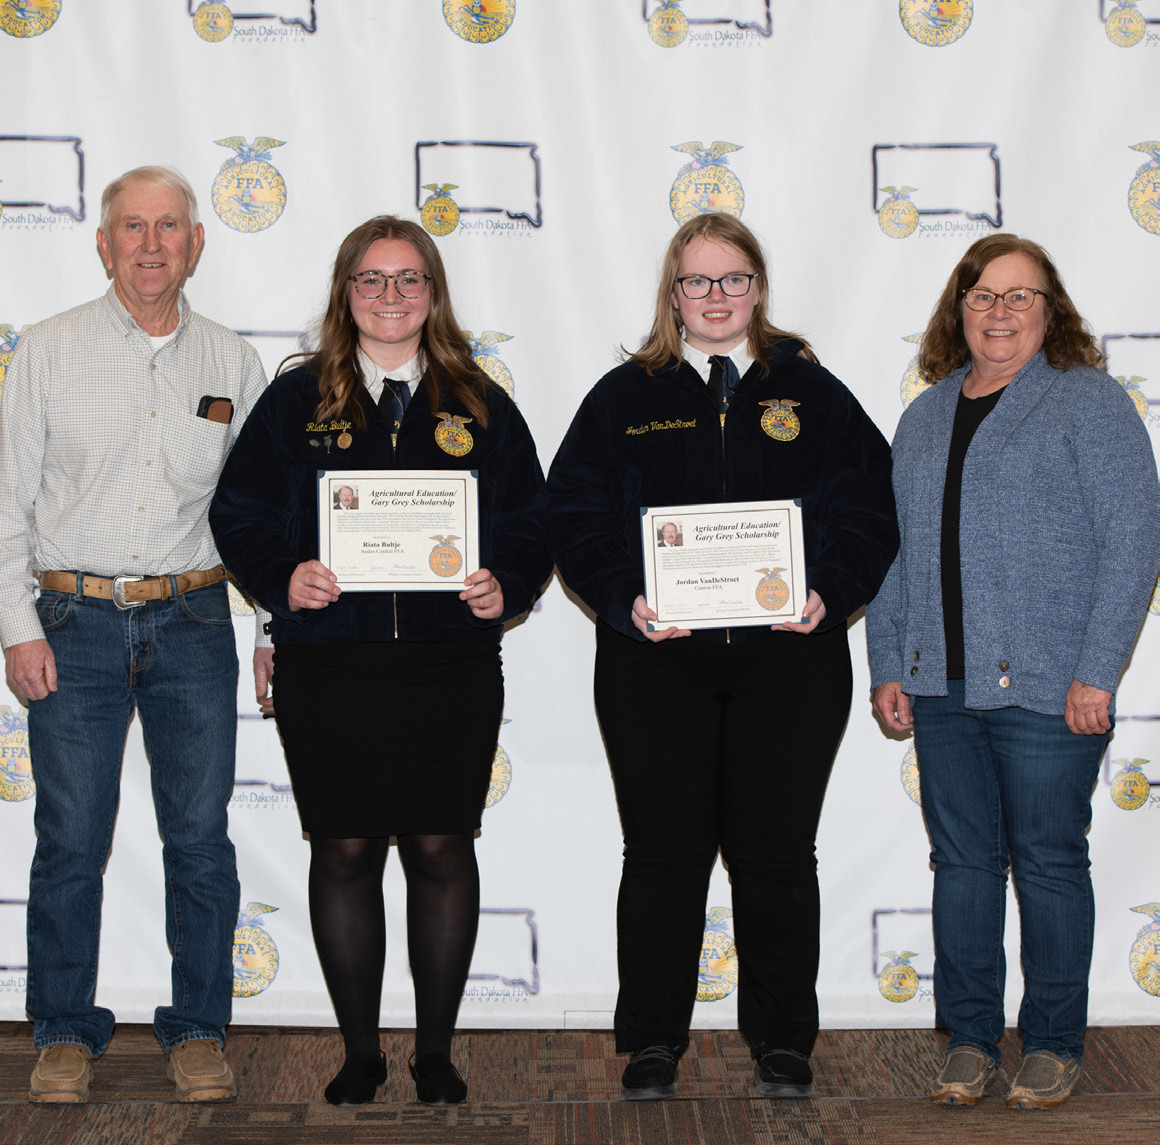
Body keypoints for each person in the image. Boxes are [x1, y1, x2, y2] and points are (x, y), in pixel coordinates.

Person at [546, 213, 898, 1101]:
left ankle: (783, 1038)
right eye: (698, 283)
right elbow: (574, 517)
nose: (716, 298)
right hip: (655, 664)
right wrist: (624, 595)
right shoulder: (623, 398)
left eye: (733, 280)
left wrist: (832, 587)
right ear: (673, 293)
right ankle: (653, 1040)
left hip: (789, 660)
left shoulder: (812, 394)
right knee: (663, 854)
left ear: (758, 288)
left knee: (778, 855)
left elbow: (871, 509)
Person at [209, 215, 550, 1106]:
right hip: (333, 665)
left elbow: (530, 520)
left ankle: (434, 1050)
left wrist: (504, 583)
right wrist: (285, 576)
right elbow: (239, 513)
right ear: (345, 294)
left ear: (433, 293)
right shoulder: (296, 402)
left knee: (442, 847)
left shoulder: (478, 400)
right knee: (347, 848)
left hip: (449, 665)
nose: (390, 297)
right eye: (371, 280)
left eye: (408, 280)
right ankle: (361, 1049)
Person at [867, 234, 1160, 1110]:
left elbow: (1134, 545)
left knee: (1048, 863)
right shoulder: (923, 416)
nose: (999, 311)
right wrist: (890, 659)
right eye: (982, 294)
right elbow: (894, 553)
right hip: (941, 686)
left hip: (1050, 687)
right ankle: (967, 1038)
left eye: (1020, 296)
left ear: (1051, 311)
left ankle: (1055, 1041)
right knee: (960, 863)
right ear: (958, 309)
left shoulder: (1090, 403)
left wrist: (1098, 672)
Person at [0, 166, 268, 1103]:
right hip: (68, 624)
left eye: (168, 227)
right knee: (71, 837)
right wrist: (15, 625)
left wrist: (272, 624)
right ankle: (65, 1031)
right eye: (131, 227)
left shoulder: (234, 362)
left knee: (199, 838)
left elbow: (259, 514)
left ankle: (198, 1029)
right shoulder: (46, 348)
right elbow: (6, 499)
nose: (150, 244)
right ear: (103, 242)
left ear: (198, 242)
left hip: (195, 620)